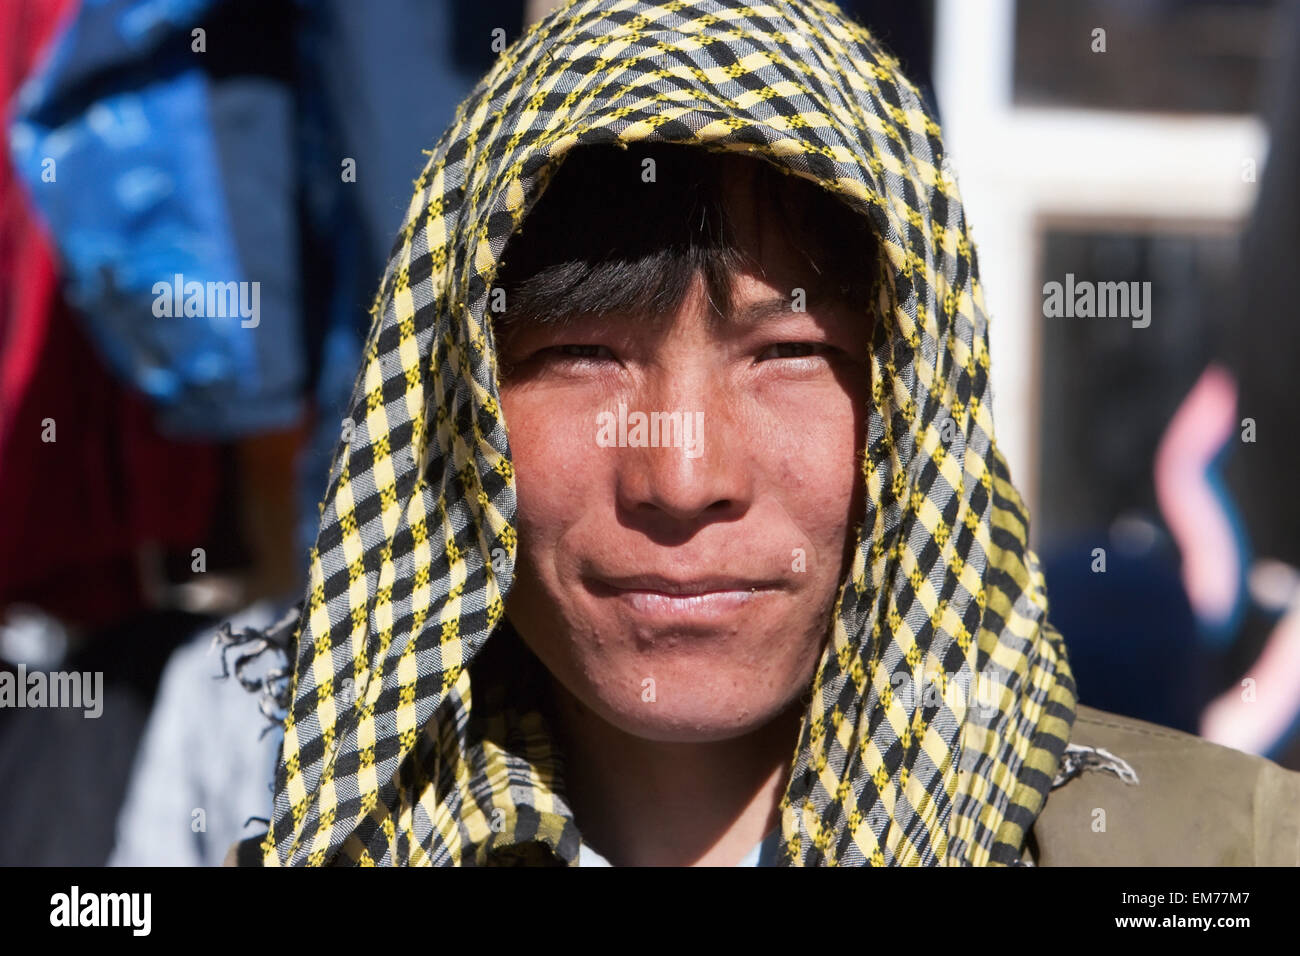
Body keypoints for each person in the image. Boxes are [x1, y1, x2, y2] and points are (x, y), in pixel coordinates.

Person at [226, 0, 1300, 867]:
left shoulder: (1227, 850)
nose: (681, 473)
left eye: (788, 352)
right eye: (580, 354)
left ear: (914, 400)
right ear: (455, 409)